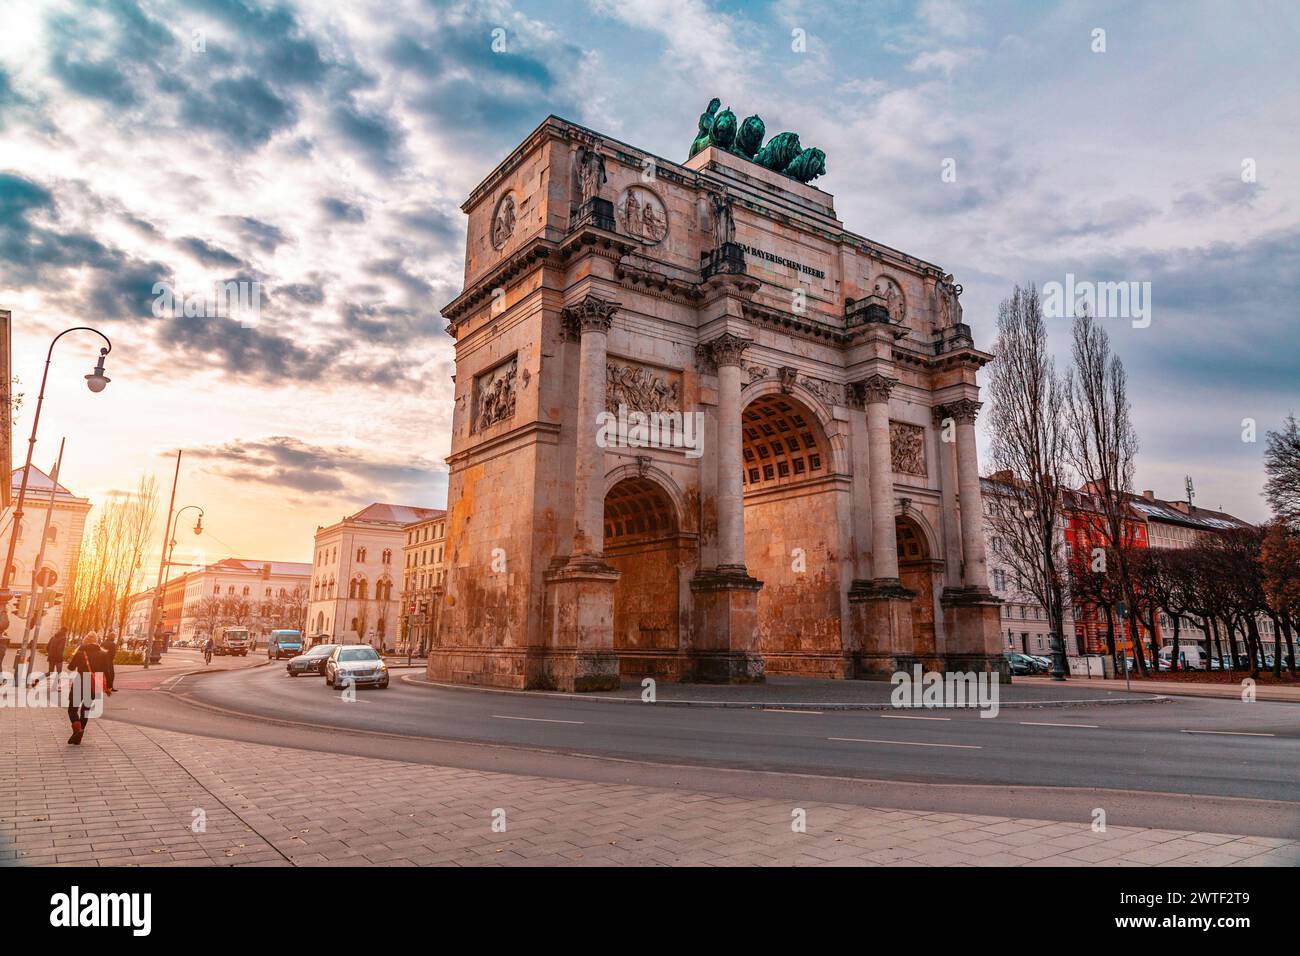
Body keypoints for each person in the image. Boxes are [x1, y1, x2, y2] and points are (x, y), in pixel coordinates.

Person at [67, 632, 108, 745]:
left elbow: (71, 667)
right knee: (85, 710)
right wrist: (108, 686)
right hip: (95, 684)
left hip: (80, 681)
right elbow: (108, 671)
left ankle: (77, 730)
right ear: (97, 641)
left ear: (85, 641)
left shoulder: (80, 653)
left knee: (72, 709)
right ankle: (79, 736)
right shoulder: (103, 654)